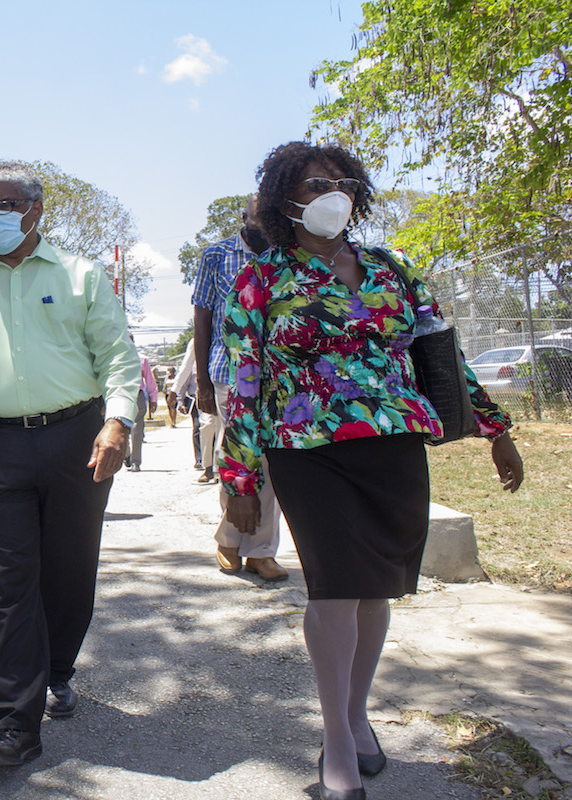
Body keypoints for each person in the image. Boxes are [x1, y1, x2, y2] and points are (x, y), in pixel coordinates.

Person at [222, 141, 524, 800]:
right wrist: (238, 480)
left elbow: (441, 352)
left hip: (394, 443)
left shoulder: (394, 268)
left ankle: (357, 715)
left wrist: (495, 430)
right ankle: (335, 740)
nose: (331, 190)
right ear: (284, 200)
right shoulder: (262, 279)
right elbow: (244, 383)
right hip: (307, 448)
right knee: (332, 587)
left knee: (376, 587)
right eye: (313, 182)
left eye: (340, 180)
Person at [0, 162, 139, 768]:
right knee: (12, 583)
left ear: (35, 211)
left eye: (4, 205)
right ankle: (14, 723)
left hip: (76, 441)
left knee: (67, 573)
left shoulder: (81, 276)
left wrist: (117, 421)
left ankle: (58, 668)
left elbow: (118, 356)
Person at [193, 197, 288, 582]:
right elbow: (202, 316)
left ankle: (258, 550)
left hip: (280, 376)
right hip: (228, 371)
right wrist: (200, 380)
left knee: (271, 461)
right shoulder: (215, 255)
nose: (264, 224)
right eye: (257, 217)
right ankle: (232, 540)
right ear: (243, 219)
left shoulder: (288, 257)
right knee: (237, 455)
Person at [172, 339, 206, 473]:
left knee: (212, 429)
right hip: (196, 400)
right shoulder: (192, 366)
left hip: (213, 397)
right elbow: (183, 384)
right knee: (197, 428)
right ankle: (199, 459)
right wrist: (179, 401)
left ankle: (212, 462)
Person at [126, 344, 158, 471]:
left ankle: (135, 461)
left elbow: (149, 381)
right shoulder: (115, 357)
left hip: (137, 394)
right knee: (121, 424)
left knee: (137, 428)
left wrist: (153, 399)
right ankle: (126, 453)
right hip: (122, 394)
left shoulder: (141, 359)